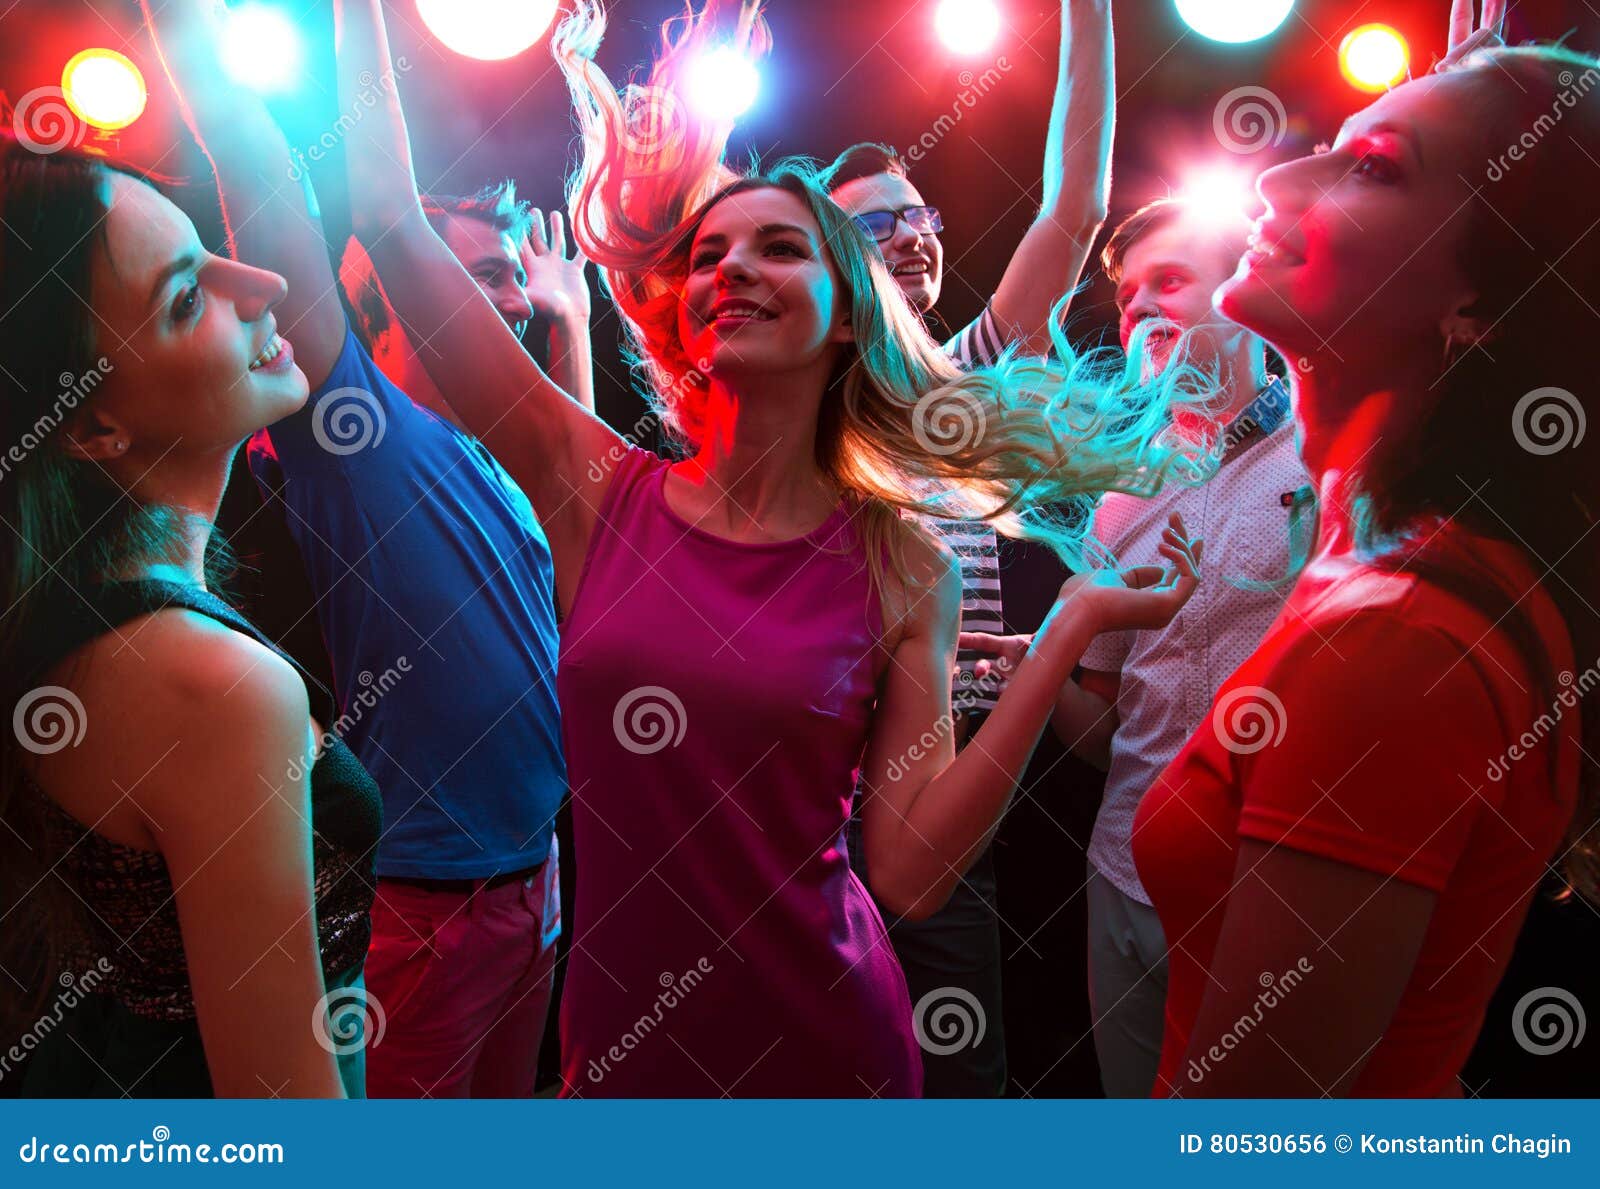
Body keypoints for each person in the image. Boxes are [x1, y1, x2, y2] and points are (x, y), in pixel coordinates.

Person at [334, 0, 1215, 1096]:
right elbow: (388, 214)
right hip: (622, 1057)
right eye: (709, 253)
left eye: (779, 248)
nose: (731, 267)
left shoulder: (904, 562)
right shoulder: (598, 489)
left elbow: (908, 869)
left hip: (826, 1051)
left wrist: (1069, 628)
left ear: (849, 313)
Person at [1135, 0, 1599, 1096]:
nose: (1272, 183)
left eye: (1371, 169)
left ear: (1483, 297)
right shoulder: (1407, 568)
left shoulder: (1394, 646)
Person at [142, 0, 568, 1098]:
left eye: (515, 274)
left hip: (536, 889)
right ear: (378, 312)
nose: (514, 297)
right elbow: (249, 148)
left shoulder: (505, 460)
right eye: (484, 275)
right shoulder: (357, 431)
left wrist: (568, 322)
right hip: (422, 915)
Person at [0, 136, 380, 1098]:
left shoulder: (62, 630)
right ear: (90, 424)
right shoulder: (217, 690)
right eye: (185, 298)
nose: (257, 281)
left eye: (210, 248)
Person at [820, 0, 1115, 1095]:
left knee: (955, 1067)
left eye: (918, 211)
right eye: (874, 222)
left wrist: (1088, 18)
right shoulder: (792, 404)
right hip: (807, 784)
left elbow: (1074, 210)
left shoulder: (963, 387)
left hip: (944, 780)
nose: (909, 230)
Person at [969, 197, 1308, 1097]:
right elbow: (1107, 725)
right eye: (1126, 297)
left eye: (1171, 281)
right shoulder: (1121, 499)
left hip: (1274, 888)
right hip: (1124, 874)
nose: (1140, 308)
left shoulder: (1322, 457)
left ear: (1245, 292)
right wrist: (1035, 669)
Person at [342, 182, 596, 415]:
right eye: (489, 276)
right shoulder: (360, 438)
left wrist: (571, 322)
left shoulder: (491, 457)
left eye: (520, 281)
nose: (525, 306)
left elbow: (573, 459)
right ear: (400, 286)